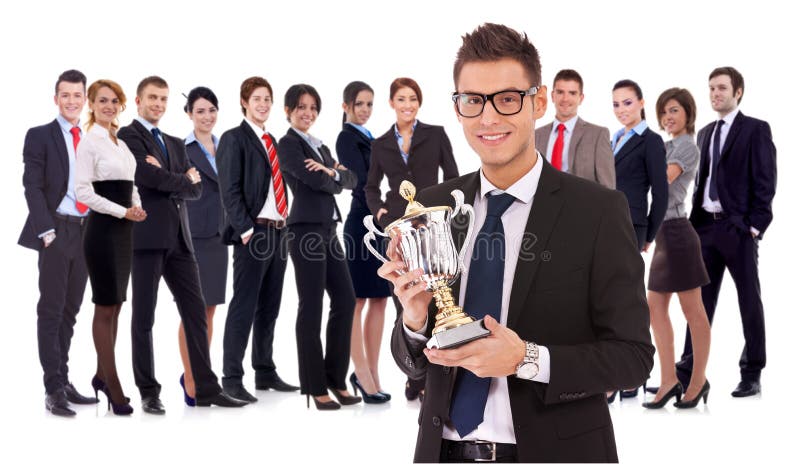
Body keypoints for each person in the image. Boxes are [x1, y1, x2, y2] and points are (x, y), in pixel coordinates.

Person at [382, 23, 653, 462]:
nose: (488, 118)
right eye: (473, 101)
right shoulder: (432, 208)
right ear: (458, 107)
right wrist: (413, 322)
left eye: (507, 99)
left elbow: (634, 358)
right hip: (442, 452)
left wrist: (527, 359)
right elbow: (414, 364)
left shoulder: (597, 211)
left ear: (539, 102)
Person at [118, 75, 247, 413]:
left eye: (162, 99)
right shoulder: (128, 136)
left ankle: (205, 387)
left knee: (196, 314)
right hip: (146, 239)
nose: (158, 104)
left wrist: (173, 178)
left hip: (181, 240)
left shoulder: (175, 143)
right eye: (152, 98)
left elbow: (197, 189)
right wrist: (178, 179)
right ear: (138, 100)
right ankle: (148, 390)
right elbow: (147, 177)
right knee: (143, 317)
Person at [677, 67, 777, 398]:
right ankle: (689, 370)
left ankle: (752, 372)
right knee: (698, 303)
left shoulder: (755, 129)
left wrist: (754, 225)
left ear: (738, 92)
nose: (715, 94)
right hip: (704, 227)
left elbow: (766, 181)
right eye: (711, 89)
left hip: (738, 229)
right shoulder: (704, 133)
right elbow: (701, 182)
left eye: (722, 88)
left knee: (749, 299)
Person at [365, 76, 459, 401]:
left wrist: (442, 212)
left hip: (431, 226)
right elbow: (370, 187)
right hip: (399, 230)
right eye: (402, 99)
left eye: (413, 99)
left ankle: (440, 365)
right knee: (404, 296)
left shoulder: (435, 135)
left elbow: (453, 173)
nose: (408, 105)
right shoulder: (380, 144)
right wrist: (380, 214)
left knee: (437, 291)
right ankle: (415, 374)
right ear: (392, 103)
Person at [19, 69, 99, 416]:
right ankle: (52, 387)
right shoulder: (40, 136)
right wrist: (46, 231)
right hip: (56, 231)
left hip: (85, 231)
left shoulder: (93, 137)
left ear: (85, 99)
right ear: (56, 99)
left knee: (71, 309)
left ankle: (63, 378)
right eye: (64, 95)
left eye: (77, 95)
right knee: (51, 310)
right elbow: (32, 186)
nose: (71, 101)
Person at [277, 83, 360, 410]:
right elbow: (315, 181)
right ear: (288, 111)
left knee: (346, 299)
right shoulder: (288, 145)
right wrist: (332, 174)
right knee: (310, 305)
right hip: (304, 230)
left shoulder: (320, 146)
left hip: (328, 228)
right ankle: (314, 386)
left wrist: (331, 171)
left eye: (312, 108)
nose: (307, 113)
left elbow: (351, 180)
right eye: (301, 107)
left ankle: (336, 379)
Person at [216, 76, 299, 403]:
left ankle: (264, 371)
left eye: (267, 99)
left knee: (270, 306)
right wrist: (247, 230)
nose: (263, 104)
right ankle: (231, 378)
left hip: (279, 232)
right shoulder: (234, 139)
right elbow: (229, 190)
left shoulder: (271, 140)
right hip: (255, 233)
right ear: (244, 102)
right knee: (244, 306)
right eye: (257, 99)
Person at [75, 79, 146, 415]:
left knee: (117, 305)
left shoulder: (120, 142)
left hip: (124, 232)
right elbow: (83, 193)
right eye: (102, 101)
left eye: (113, 101)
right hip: (102, 231)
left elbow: (130, 183)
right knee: (104, 306)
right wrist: (123, 211)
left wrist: (137, 206)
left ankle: (102, 375)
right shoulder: (90, 142)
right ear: (91, 104)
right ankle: (113, 385)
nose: (108, 106)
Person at [641, 88, 711, 409]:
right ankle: (669, 379)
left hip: (680, 234)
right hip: (664, 236)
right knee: (655, 309)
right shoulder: (666, 145)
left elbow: (662, 180)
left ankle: (698, 381)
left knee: (692, 311)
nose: (668, 118)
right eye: (664, 112)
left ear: (687, 114)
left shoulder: (686, 147)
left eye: (674, 111)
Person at [609, 79, 667, 401]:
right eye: (616, 104)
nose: (621, 110)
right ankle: (614, 372)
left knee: (628, 300)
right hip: (608, 225)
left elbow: (660, 192)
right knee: (608, 298)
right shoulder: (614, 138)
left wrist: (650, 234)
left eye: (627, 103)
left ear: (641, 103)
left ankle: (633, 376)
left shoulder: (650, 141)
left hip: (633, 226)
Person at [337, 81, 391, 404]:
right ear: (346, 106)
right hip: (361, 223)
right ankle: (360, 371)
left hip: (379, 222)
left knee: (380, 299)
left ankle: (373, 371)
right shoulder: (347, 137)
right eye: (359, 104)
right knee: (357, 300)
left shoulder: (370, 137)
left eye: (370, 104)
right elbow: (361, 180)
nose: (365, 110)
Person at [174, 86, 227, 406]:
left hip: (221, 236)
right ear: (190, 115)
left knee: (209, 309)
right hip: (193, 235)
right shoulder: (181, 149)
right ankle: (191, 376)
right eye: (200, 111)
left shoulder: (225, 146)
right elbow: (174, 186)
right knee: (192, 310)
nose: (207, 116)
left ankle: (200, 370)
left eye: (211, 110)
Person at [534, 69, 615, 188]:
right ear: (552, 96)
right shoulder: (536, 135)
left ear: (581, 98)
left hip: (583, 205)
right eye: (560, 92)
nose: (565, 99)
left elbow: (608, 189)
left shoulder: (598, 135)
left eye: (572, 93)